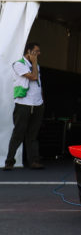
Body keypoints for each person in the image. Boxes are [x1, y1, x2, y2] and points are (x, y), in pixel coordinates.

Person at [4, 42, 45, 170]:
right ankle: (9, 162)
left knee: (33, 135)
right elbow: (33, 77)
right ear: (29, 51)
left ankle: (34, 161)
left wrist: (42, 100)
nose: (39, 54)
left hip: (37, 104)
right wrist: (34, 62)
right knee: (18, 133)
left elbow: (39, 84)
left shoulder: (36, 65)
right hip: (23, 104)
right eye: (36, 51)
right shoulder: (19, 64)